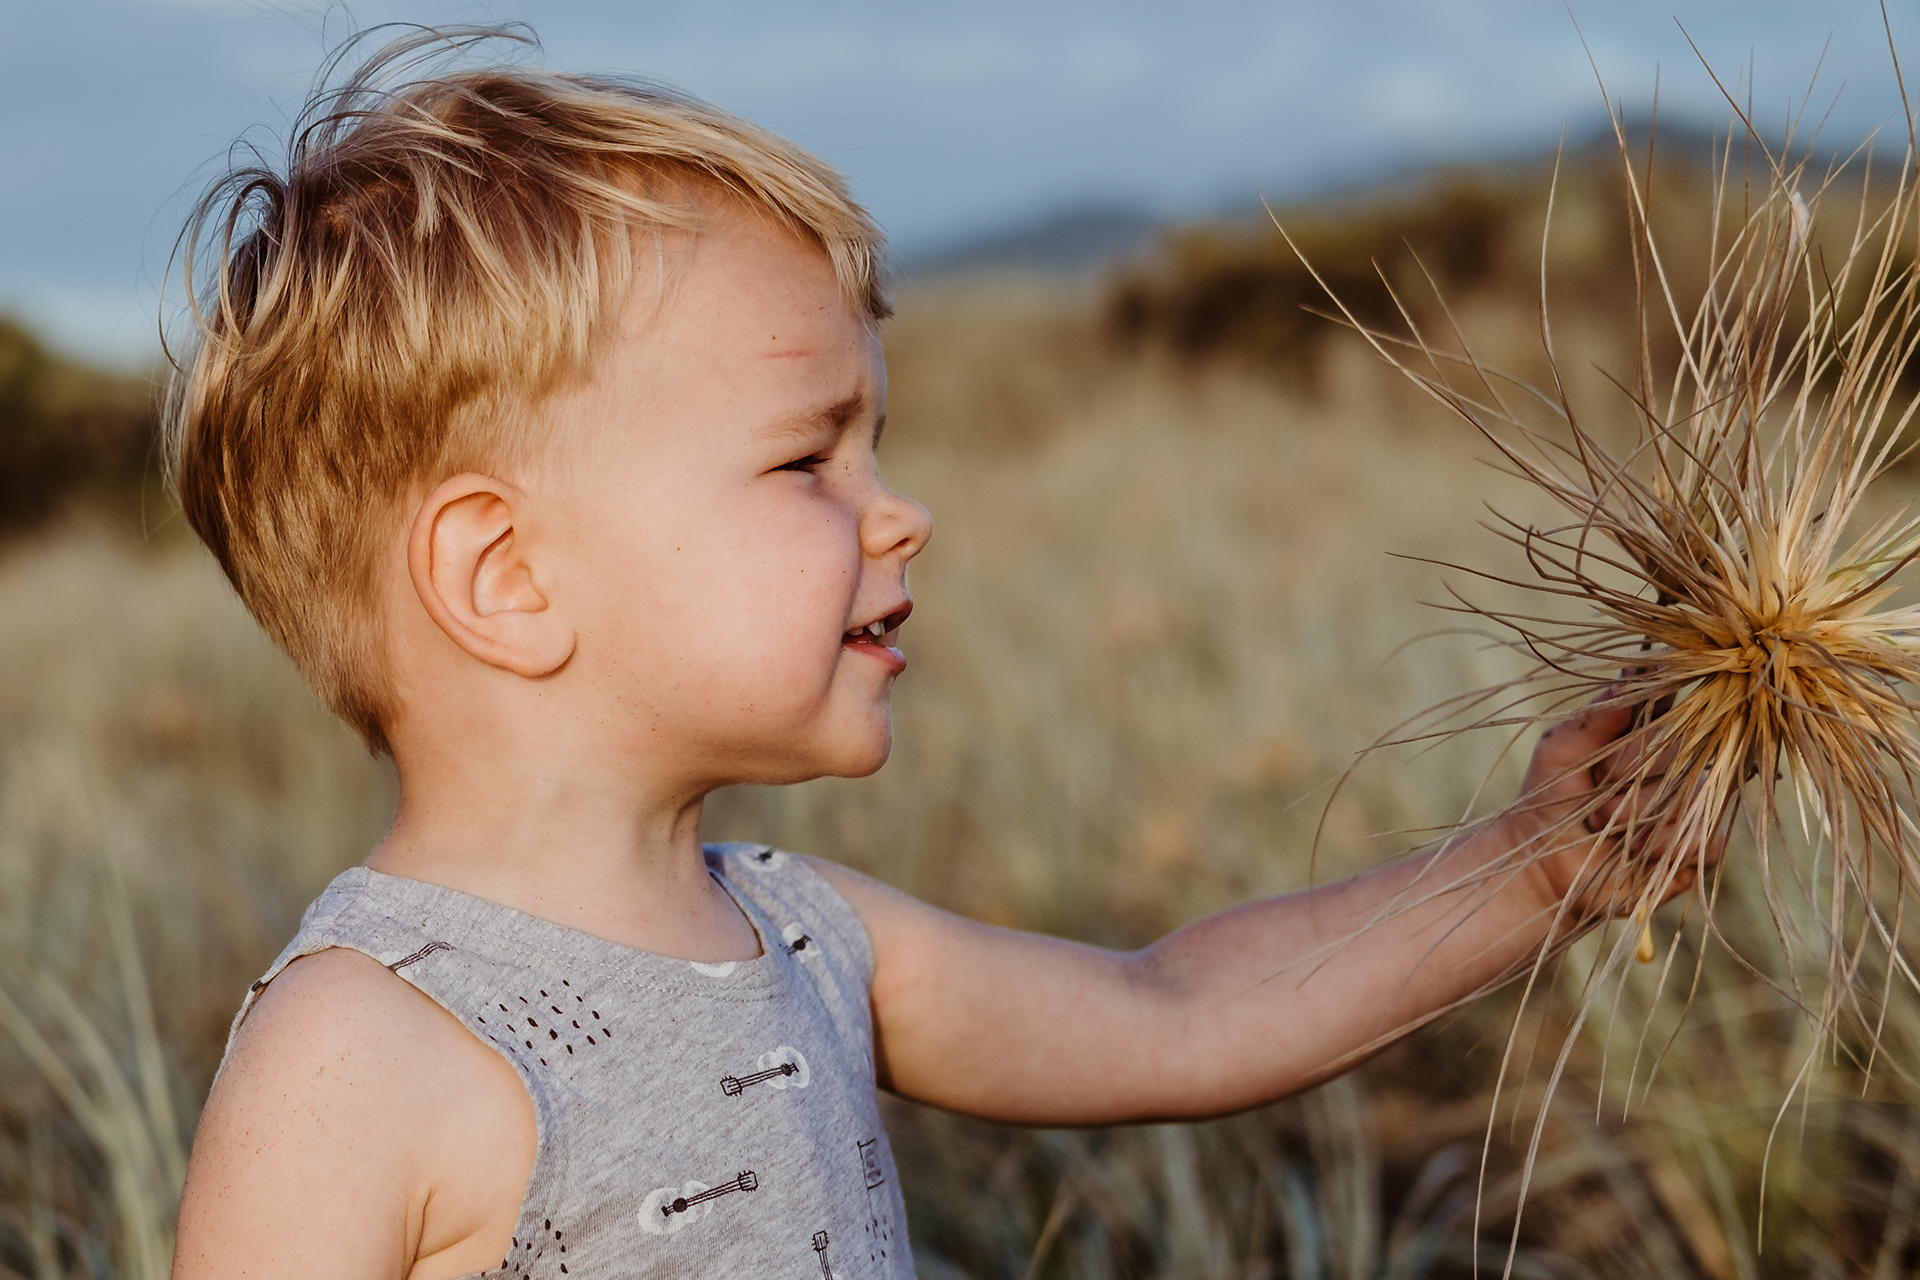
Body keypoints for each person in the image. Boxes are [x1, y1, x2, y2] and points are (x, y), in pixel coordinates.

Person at [166, 28, 1691, 1280]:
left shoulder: (806, 933)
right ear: (505, 577)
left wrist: (1541, 865)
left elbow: (1179, 1012)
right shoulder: (361, 1052)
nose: (903, 513)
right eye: (805, 461)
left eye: (875, 444)